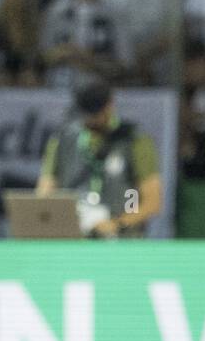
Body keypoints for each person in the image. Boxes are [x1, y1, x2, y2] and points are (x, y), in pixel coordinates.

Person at [36, 82, 162, 238]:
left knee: (132, 193)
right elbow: (45, 191)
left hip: (119, 233)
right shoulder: (63, 140)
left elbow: (152, 200)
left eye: (95, 113)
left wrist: (119, 223)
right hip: (74, 233)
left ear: (109, 106)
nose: (91, 119)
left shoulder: (134, 141)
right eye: (86, 113)